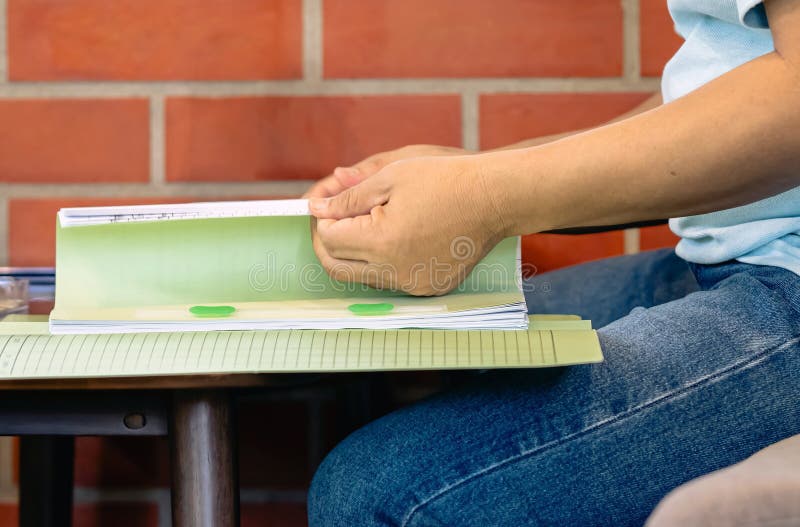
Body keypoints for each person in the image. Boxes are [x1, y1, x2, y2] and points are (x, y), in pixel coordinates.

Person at [304, 0, 800, 525]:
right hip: (729, 260)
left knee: (376, 492)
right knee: (430, 349)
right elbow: (718, 84)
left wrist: (487, 195)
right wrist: (480, 171)